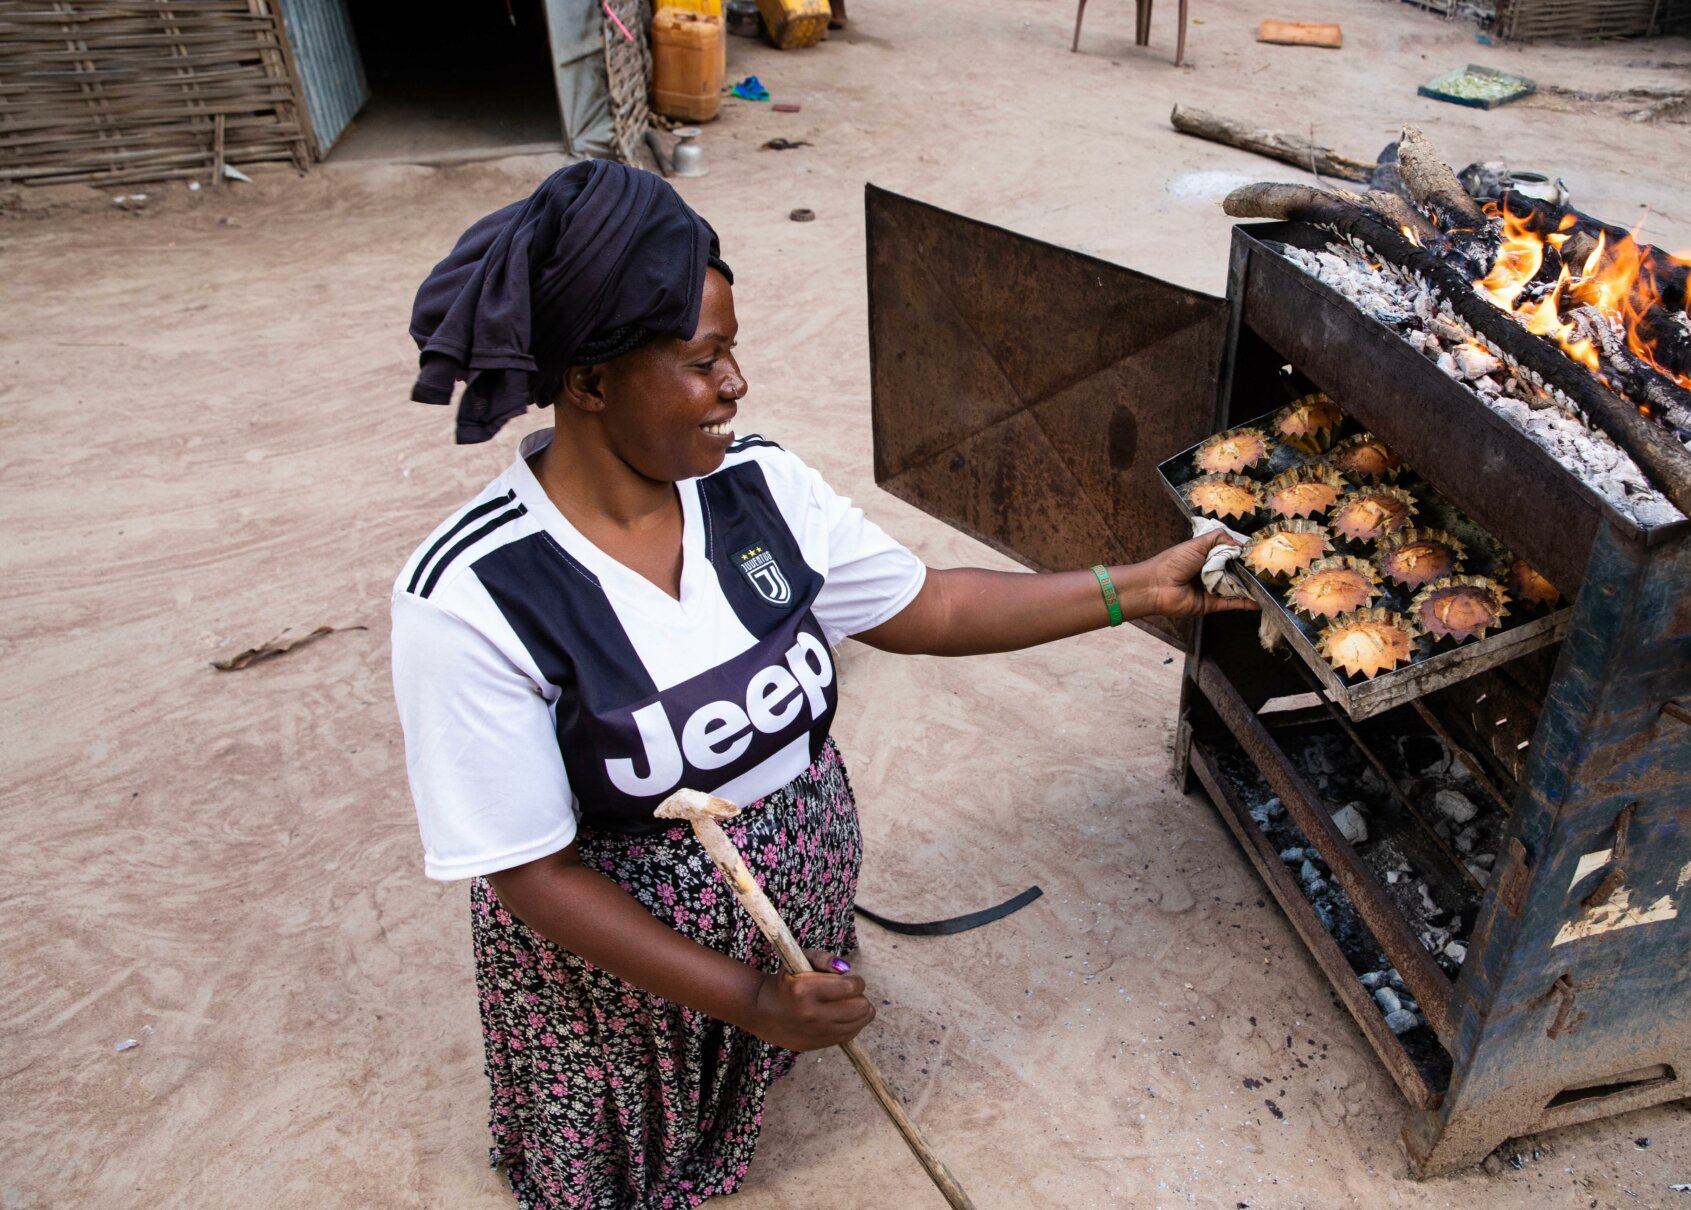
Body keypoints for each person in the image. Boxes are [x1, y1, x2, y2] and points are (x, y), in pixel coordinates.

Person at [391, 161, 1251, 1208]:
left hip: (783, 922)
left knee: (761, 1078)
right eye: (704, 360)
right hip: (624, 985)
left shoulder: (759, 486)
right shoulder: (475, 592)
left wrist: (1131, 590)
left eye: (734, 351)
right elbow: (533, 873)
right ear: (589, 380)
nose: (737, 385)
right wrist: (748, 994)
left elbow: (927, 606)